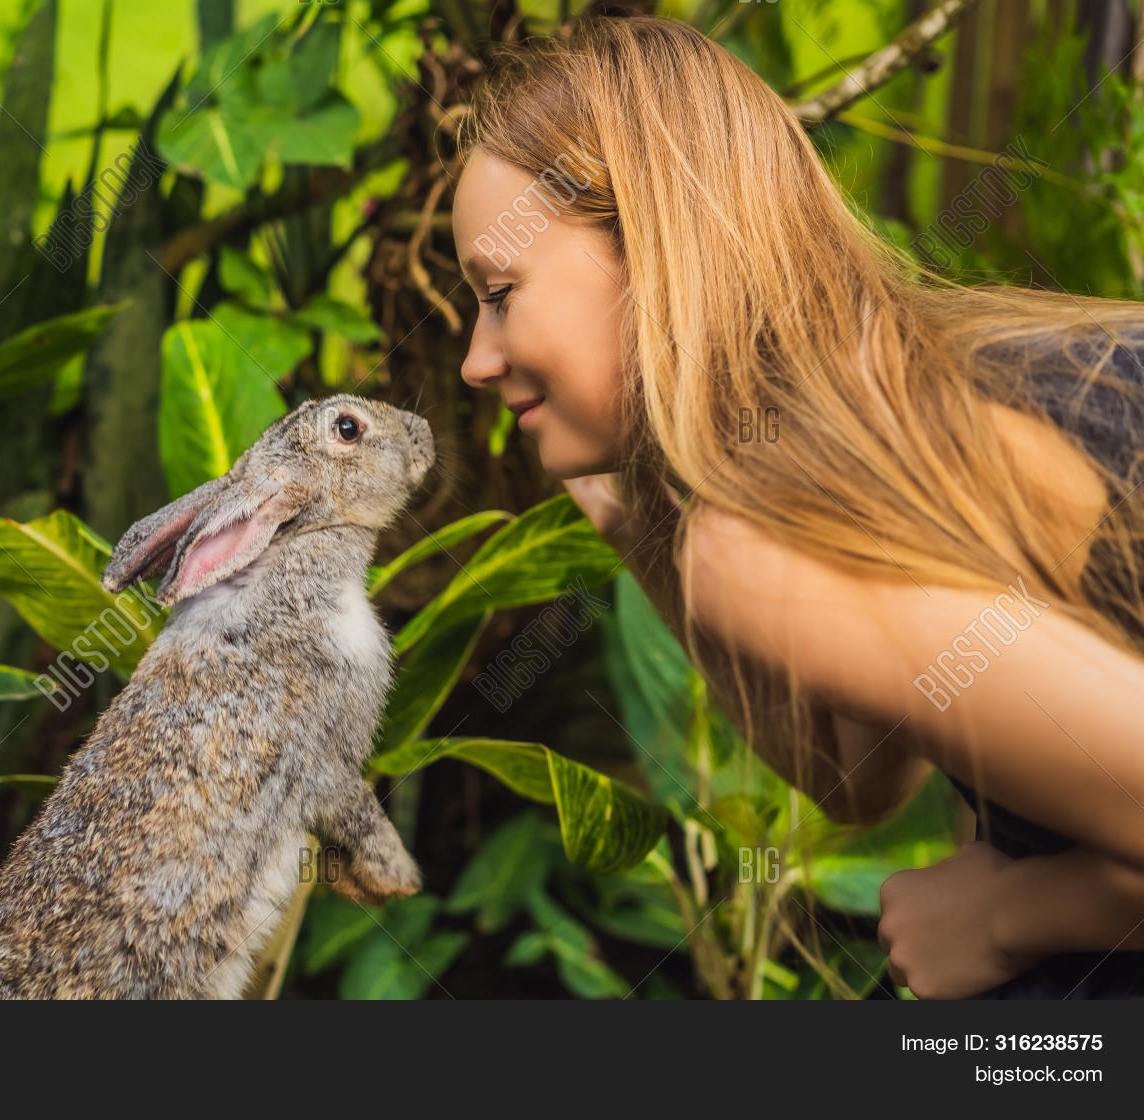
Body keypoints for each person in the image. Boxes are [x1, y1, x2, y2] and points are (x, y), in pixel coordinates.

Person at [449, 15, 1144, 999]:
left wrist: (1002, 918)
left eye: (499, 291)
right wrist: (643, 530)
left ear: (649, 249)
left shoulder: (765, 539)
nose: (475, 361)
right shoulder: (890, 395)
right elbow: (857, 773)